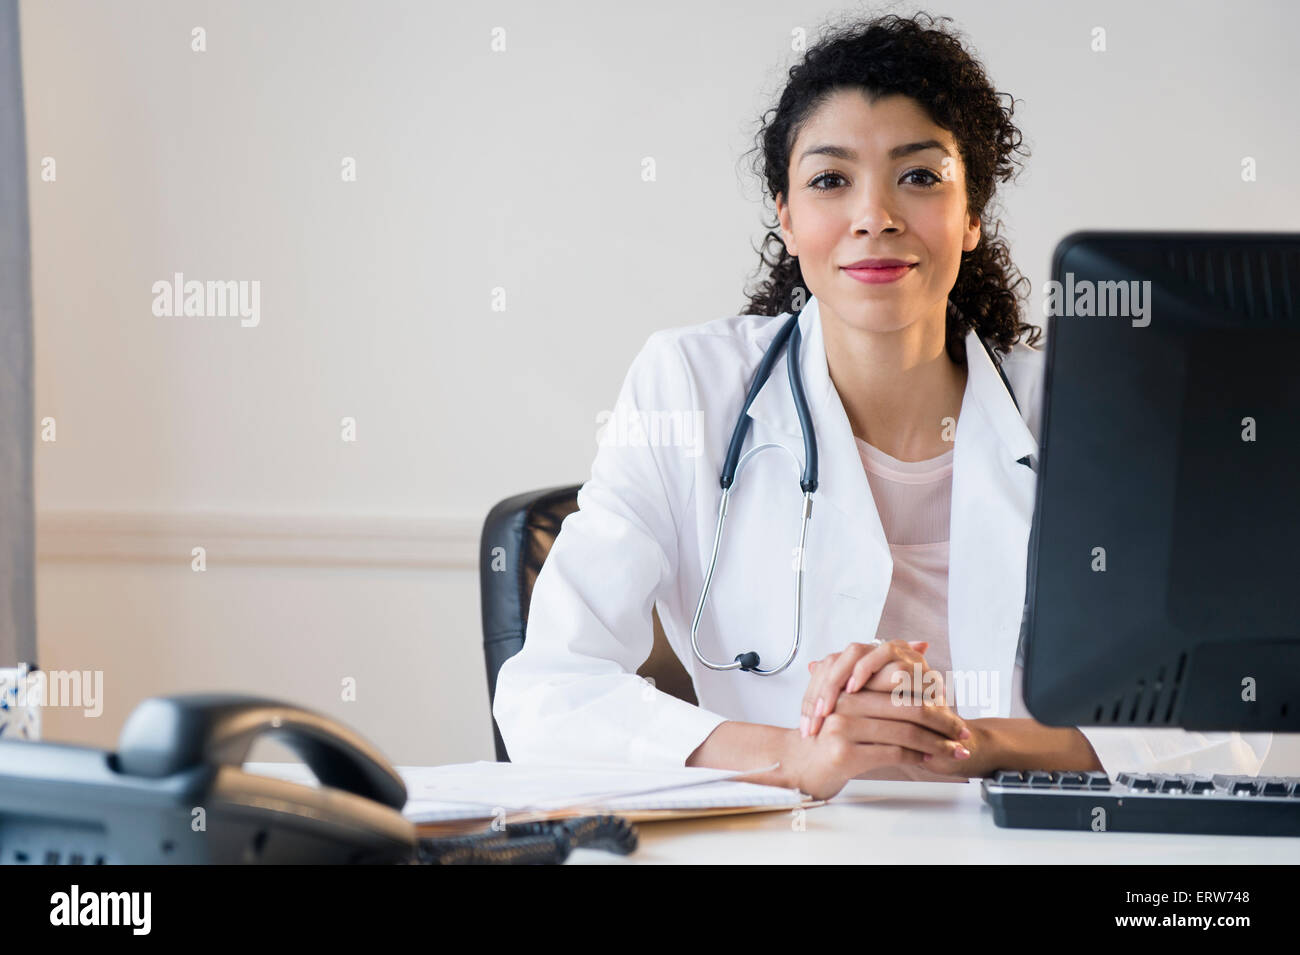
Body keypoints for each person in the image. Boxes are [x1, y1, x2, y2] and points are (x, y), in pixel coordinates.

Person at [492, 12, 1273, 801]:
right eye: (831, 180)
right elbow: (548, 693)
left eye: (920, 175)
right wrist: (800, 754)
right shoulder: (688, 386)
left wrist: (974, 739)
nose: (876, 215)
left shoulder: (1081, 410)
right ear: (787, 217)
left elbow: (1220, 728)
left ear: (972, 216)